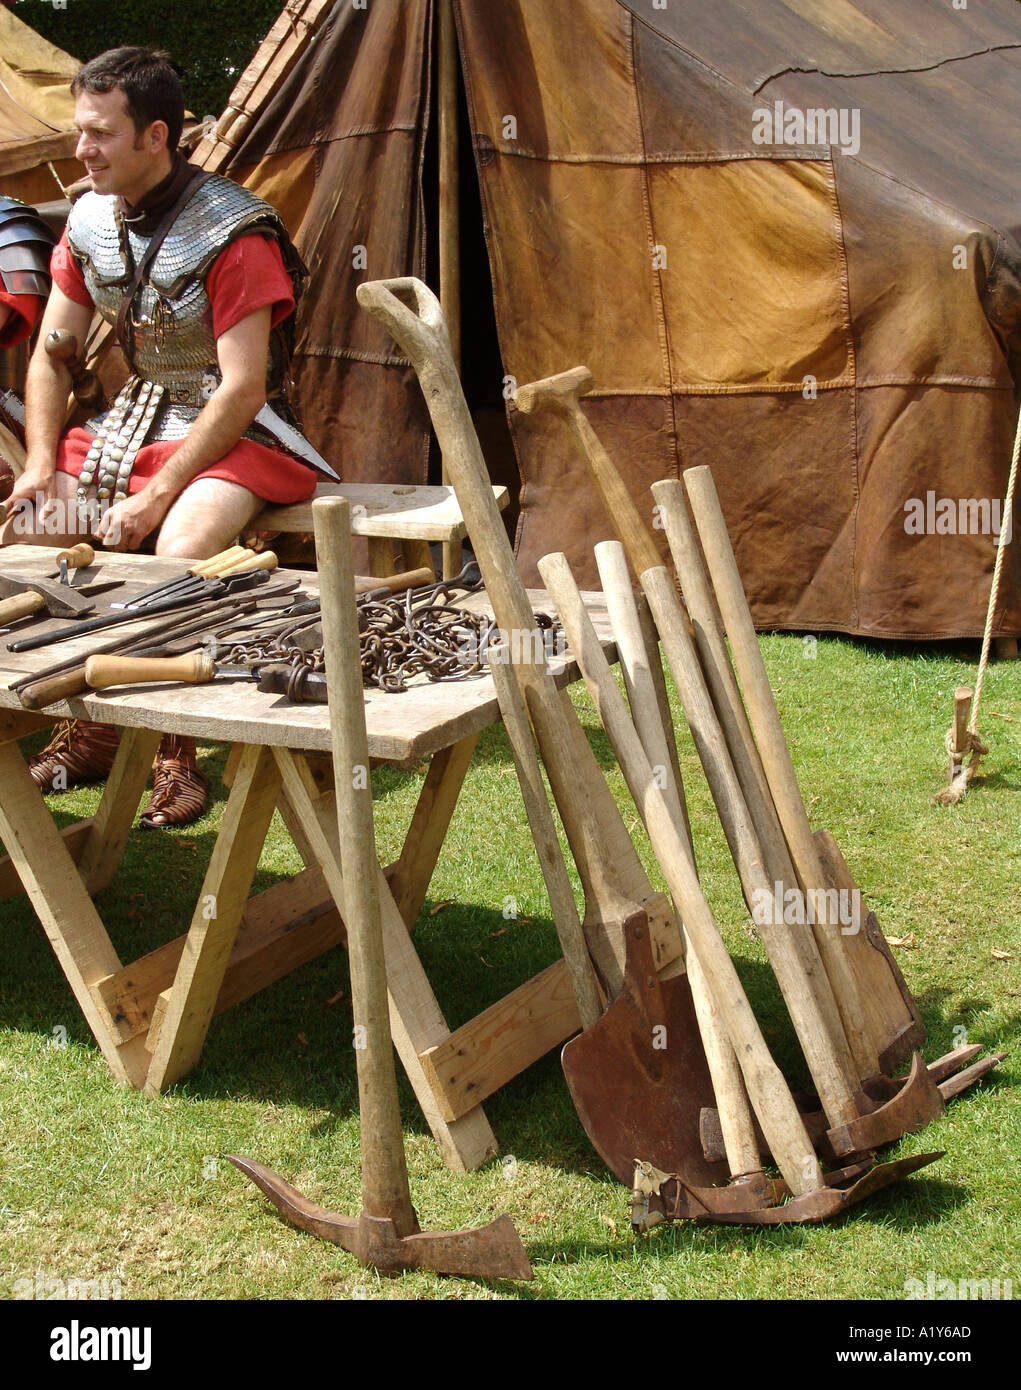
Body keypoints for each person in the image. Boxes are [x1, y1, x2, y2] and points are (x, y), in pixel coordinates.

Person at [1, 47, 317, 827]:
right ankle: (95, 730)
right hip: (135, 419)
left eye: (101, 135)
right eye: (82, 130)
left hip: (238, 429)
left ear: (157, 137)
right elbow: (53, 351)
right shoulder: (86, 221)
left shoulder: (234, 233)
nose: (82, 150)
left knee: (178, 554)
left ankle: (174, 749)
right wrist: (41, 462)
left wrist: (153, 496)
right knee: (38, 531)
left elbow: (242, 387)